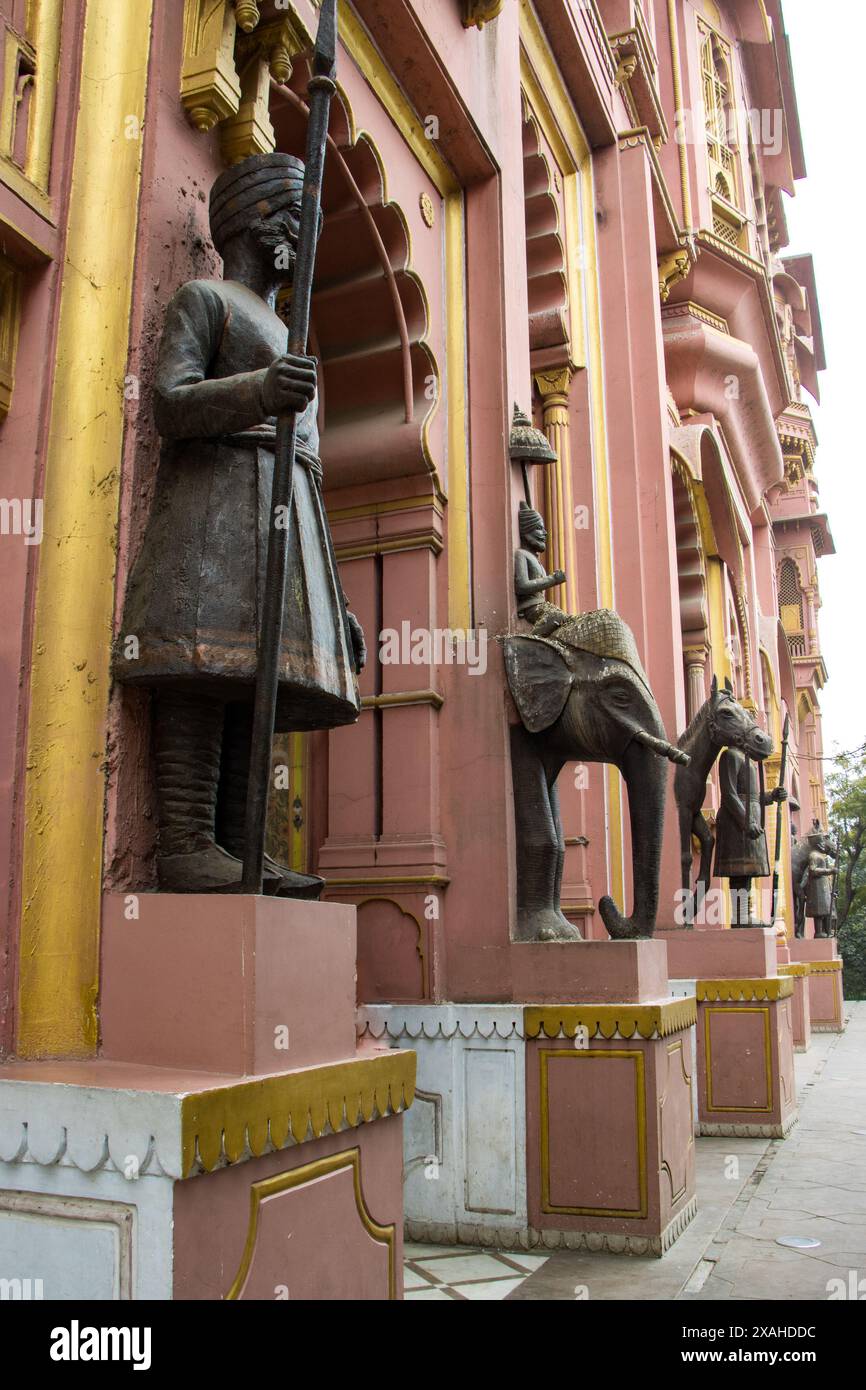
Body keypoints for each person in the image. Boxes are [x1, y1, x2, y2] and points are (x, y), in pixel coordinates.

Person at [114, 153, 365, 895]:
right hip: (217, 503)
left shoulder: (286, 324)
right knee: (201, 664)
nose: (308, 237)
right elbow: (171, 402)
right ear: (262, 221)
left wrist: (336, 594)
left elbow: (313, 470)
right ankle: (189, 843)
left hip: (287, 515)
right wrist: (262, 388)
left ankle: (242, 845)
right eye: (300, 218)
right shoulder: (207, 299)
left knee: (257, 680)